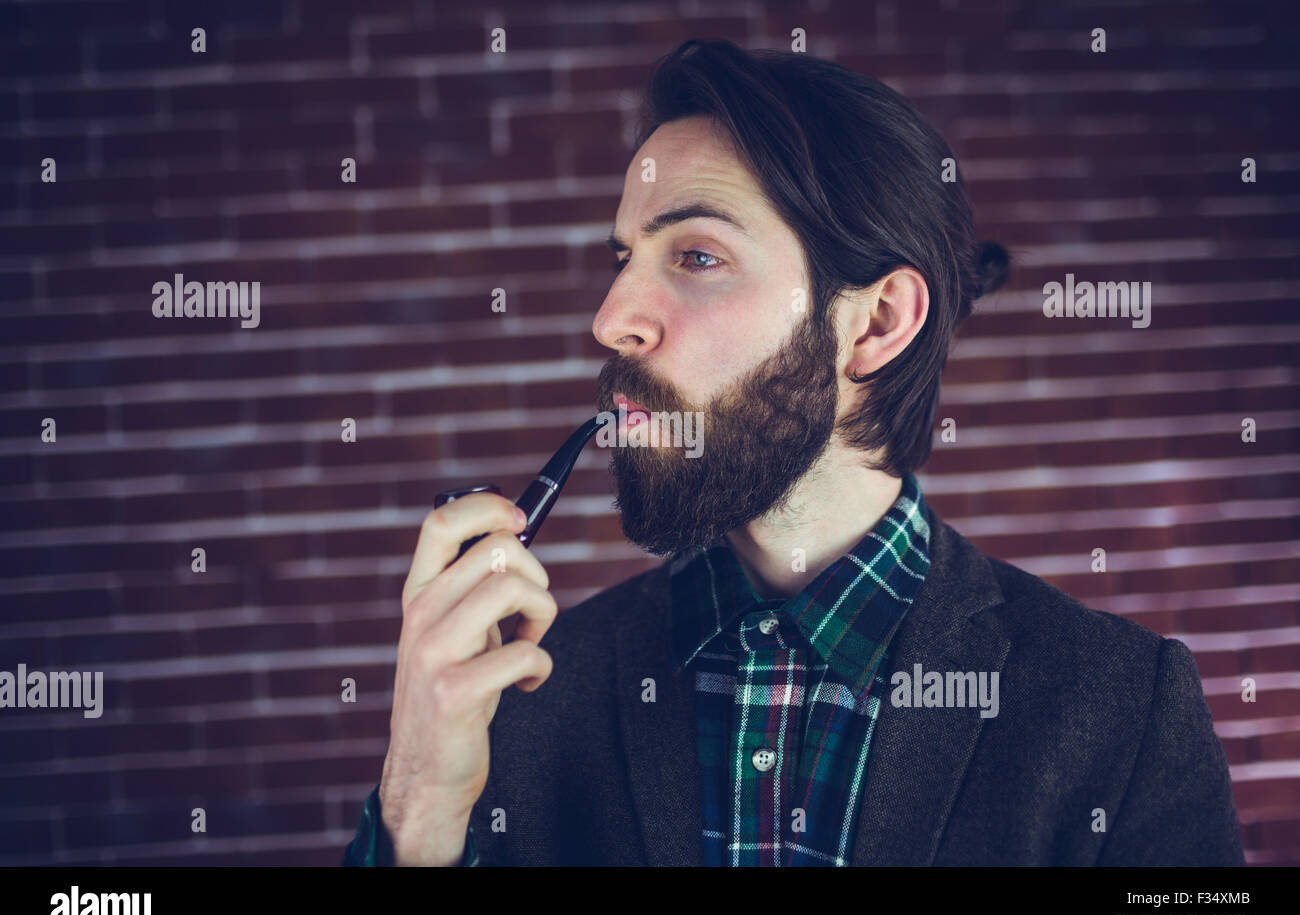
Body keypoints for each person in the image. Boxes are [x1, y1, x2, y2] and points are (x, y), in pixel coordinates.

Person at [342, 39, 1243, 866]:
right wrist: (417, 808)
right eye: (623, 257)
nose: (612, 319)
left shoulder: (1124, 713)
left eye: (695, 256)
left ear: (876, 325)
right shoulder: (520, 700)